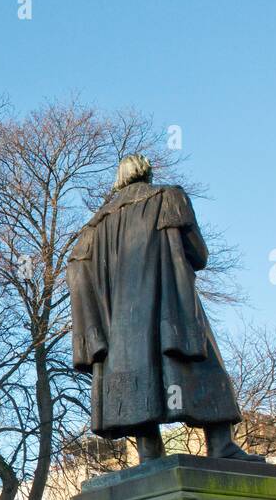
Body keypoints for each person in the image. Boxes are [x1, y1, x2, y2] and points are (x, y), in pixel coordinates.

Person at [67, 153, 253, 463]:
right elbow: (199, 254)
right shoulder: (168, 197)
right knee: (205, 367)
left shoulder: (93, 227)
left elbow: (76, 268)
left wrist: (94, 330)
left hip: (120, 329)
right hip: (172, 309)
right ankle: (221, 445)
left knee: (135, 375)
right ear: (147, 174)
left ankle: (149, 452)